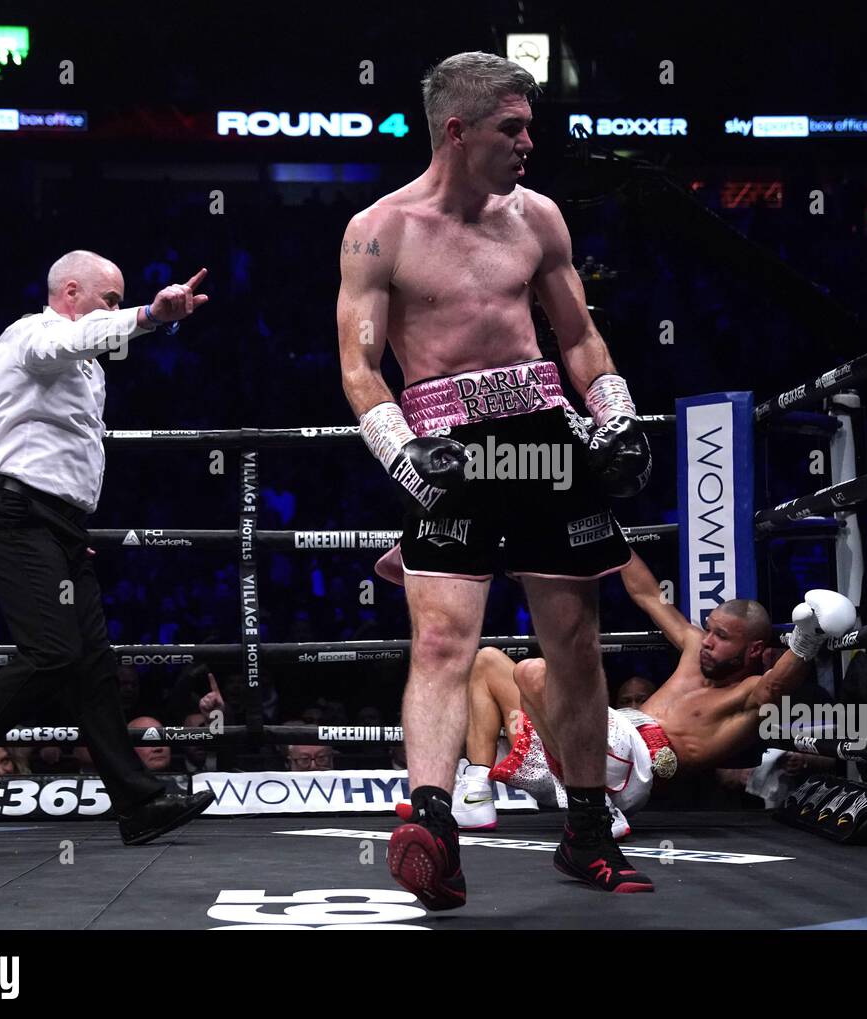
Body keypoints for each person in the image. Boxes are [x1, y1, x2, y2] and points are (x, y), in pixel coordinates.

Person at [339, 51, 654, 905]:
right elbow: (360, 369)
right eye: (511, 128)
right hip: (446, 442)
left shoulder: (539, 216)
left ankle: (587, 829)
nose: (528, 142)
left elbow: (580, 336)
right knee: (442, 641)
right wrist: (404, 453)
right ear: (457, 130)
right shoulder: (380, 229)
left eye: (529, 126)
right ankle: (431, 823)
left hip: (547, 440)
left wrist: (617, 415)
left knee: (574, 643)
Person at [0, 250, 214, 848]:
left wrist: (68, 526)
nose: (114, 310)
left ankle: (138, 802)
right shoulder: (33, 334)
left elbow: (67, 451)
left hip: (56, 526)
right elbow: (72, 342)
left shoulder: (86, 363)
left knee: (94, 667)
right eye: (108, 298)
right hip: (14, 516)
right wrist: (150, 315)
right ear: (71, 291)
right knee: (51, 651)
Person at [457, 550, 856, 828]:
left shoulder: (746, 695)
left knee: (534, 673)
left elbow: (774, 688)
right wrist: (609, 535)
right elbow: (648, 595)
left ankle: (592, 806)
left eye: (722, 636)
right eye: (709, 628)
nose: (708, 641)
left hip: (628, 769)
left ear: (753, 649)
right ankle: (476, 791)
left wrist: (808, 637)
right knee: (488, 660)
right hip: (577, 754)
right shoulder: (692, 648)